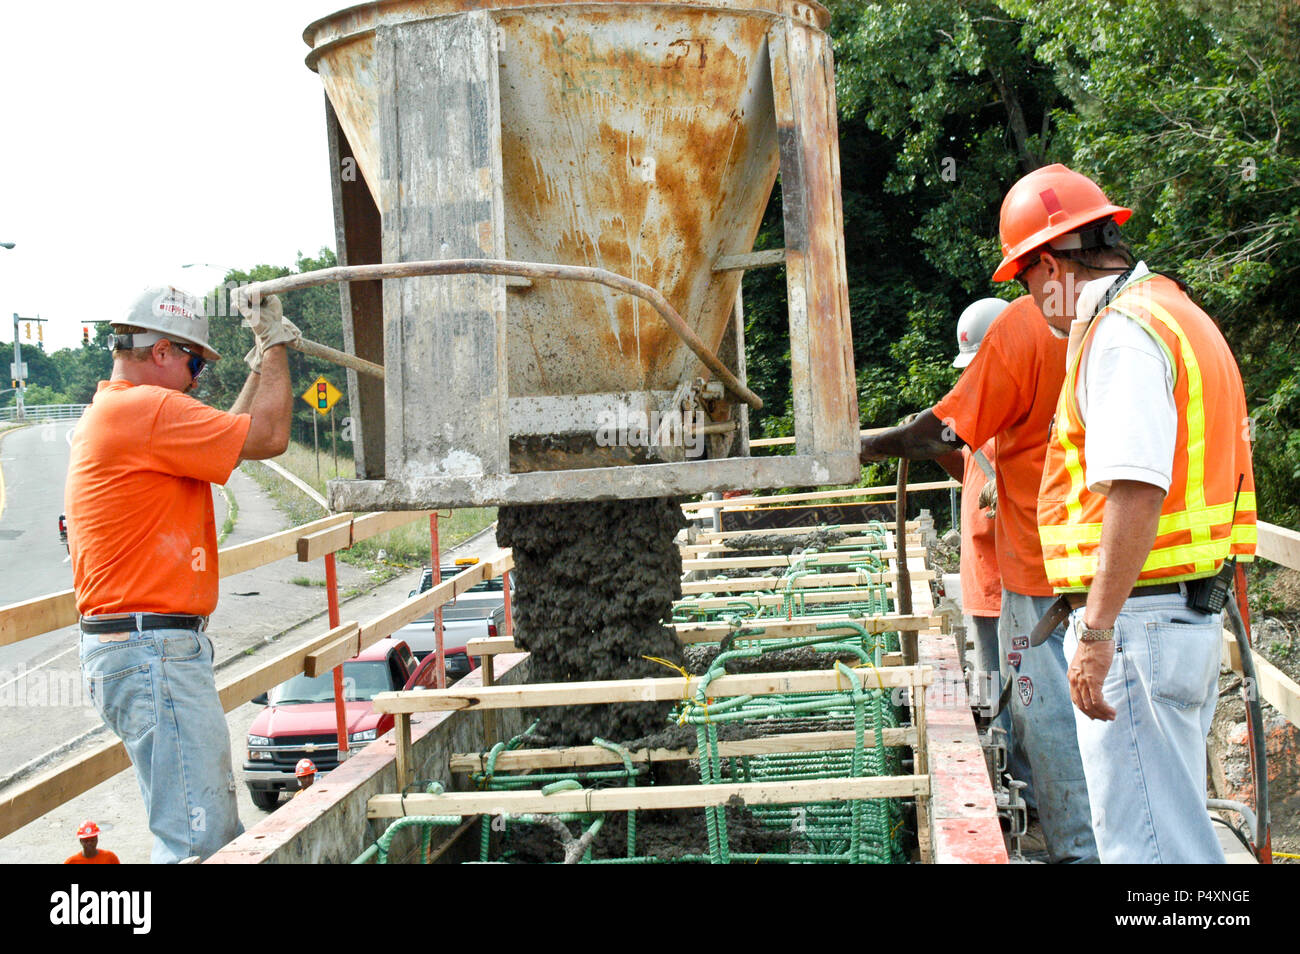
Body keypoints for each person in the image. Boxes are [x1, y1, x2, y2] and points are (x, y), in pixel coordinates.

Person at [996, 164, 1256, 863]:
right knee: (1173, 838)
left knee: (1146, 852)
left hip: (1139, 625)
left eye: (1026, 283)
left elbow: (1137, 489)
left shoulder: (1120, 333)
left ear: (1050, 264)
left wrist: (1098, 630)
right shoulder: (1179, 314)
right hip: (1177, 616)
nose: (1034, 301)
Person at [860, 288, 1098, 863]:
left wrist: (867, 446)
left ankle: (1066, 835)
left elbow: (939, 433)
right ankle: (1045, 813)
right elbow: (954, 448)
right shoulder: (1011, 412)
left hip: (1030, 579)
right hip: (1002, 583)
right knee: (1011, 701)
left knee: (1035, 706)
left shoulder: (1024, 392)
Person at [66, 285, 296, 863]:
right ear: (162, 351)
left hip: (138, 648)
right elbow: (268, 436)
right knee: (200, 841)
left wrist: (261, 354)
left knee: (193, 827)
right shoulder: (147, 410)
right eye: (194, 363)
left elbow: (232, 437)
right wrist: (274, 350)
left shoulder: (121, 412)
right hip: (150, 649)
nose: (195, 378)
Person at [942, 299, 1004, 715]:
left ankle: (1033, 778)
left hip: (1016, 595)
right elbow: (967, 471)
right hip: (984, 591)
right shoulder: (981, 422)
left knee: (1022, 702)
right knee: (993, 700)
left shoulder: (1022, 420)